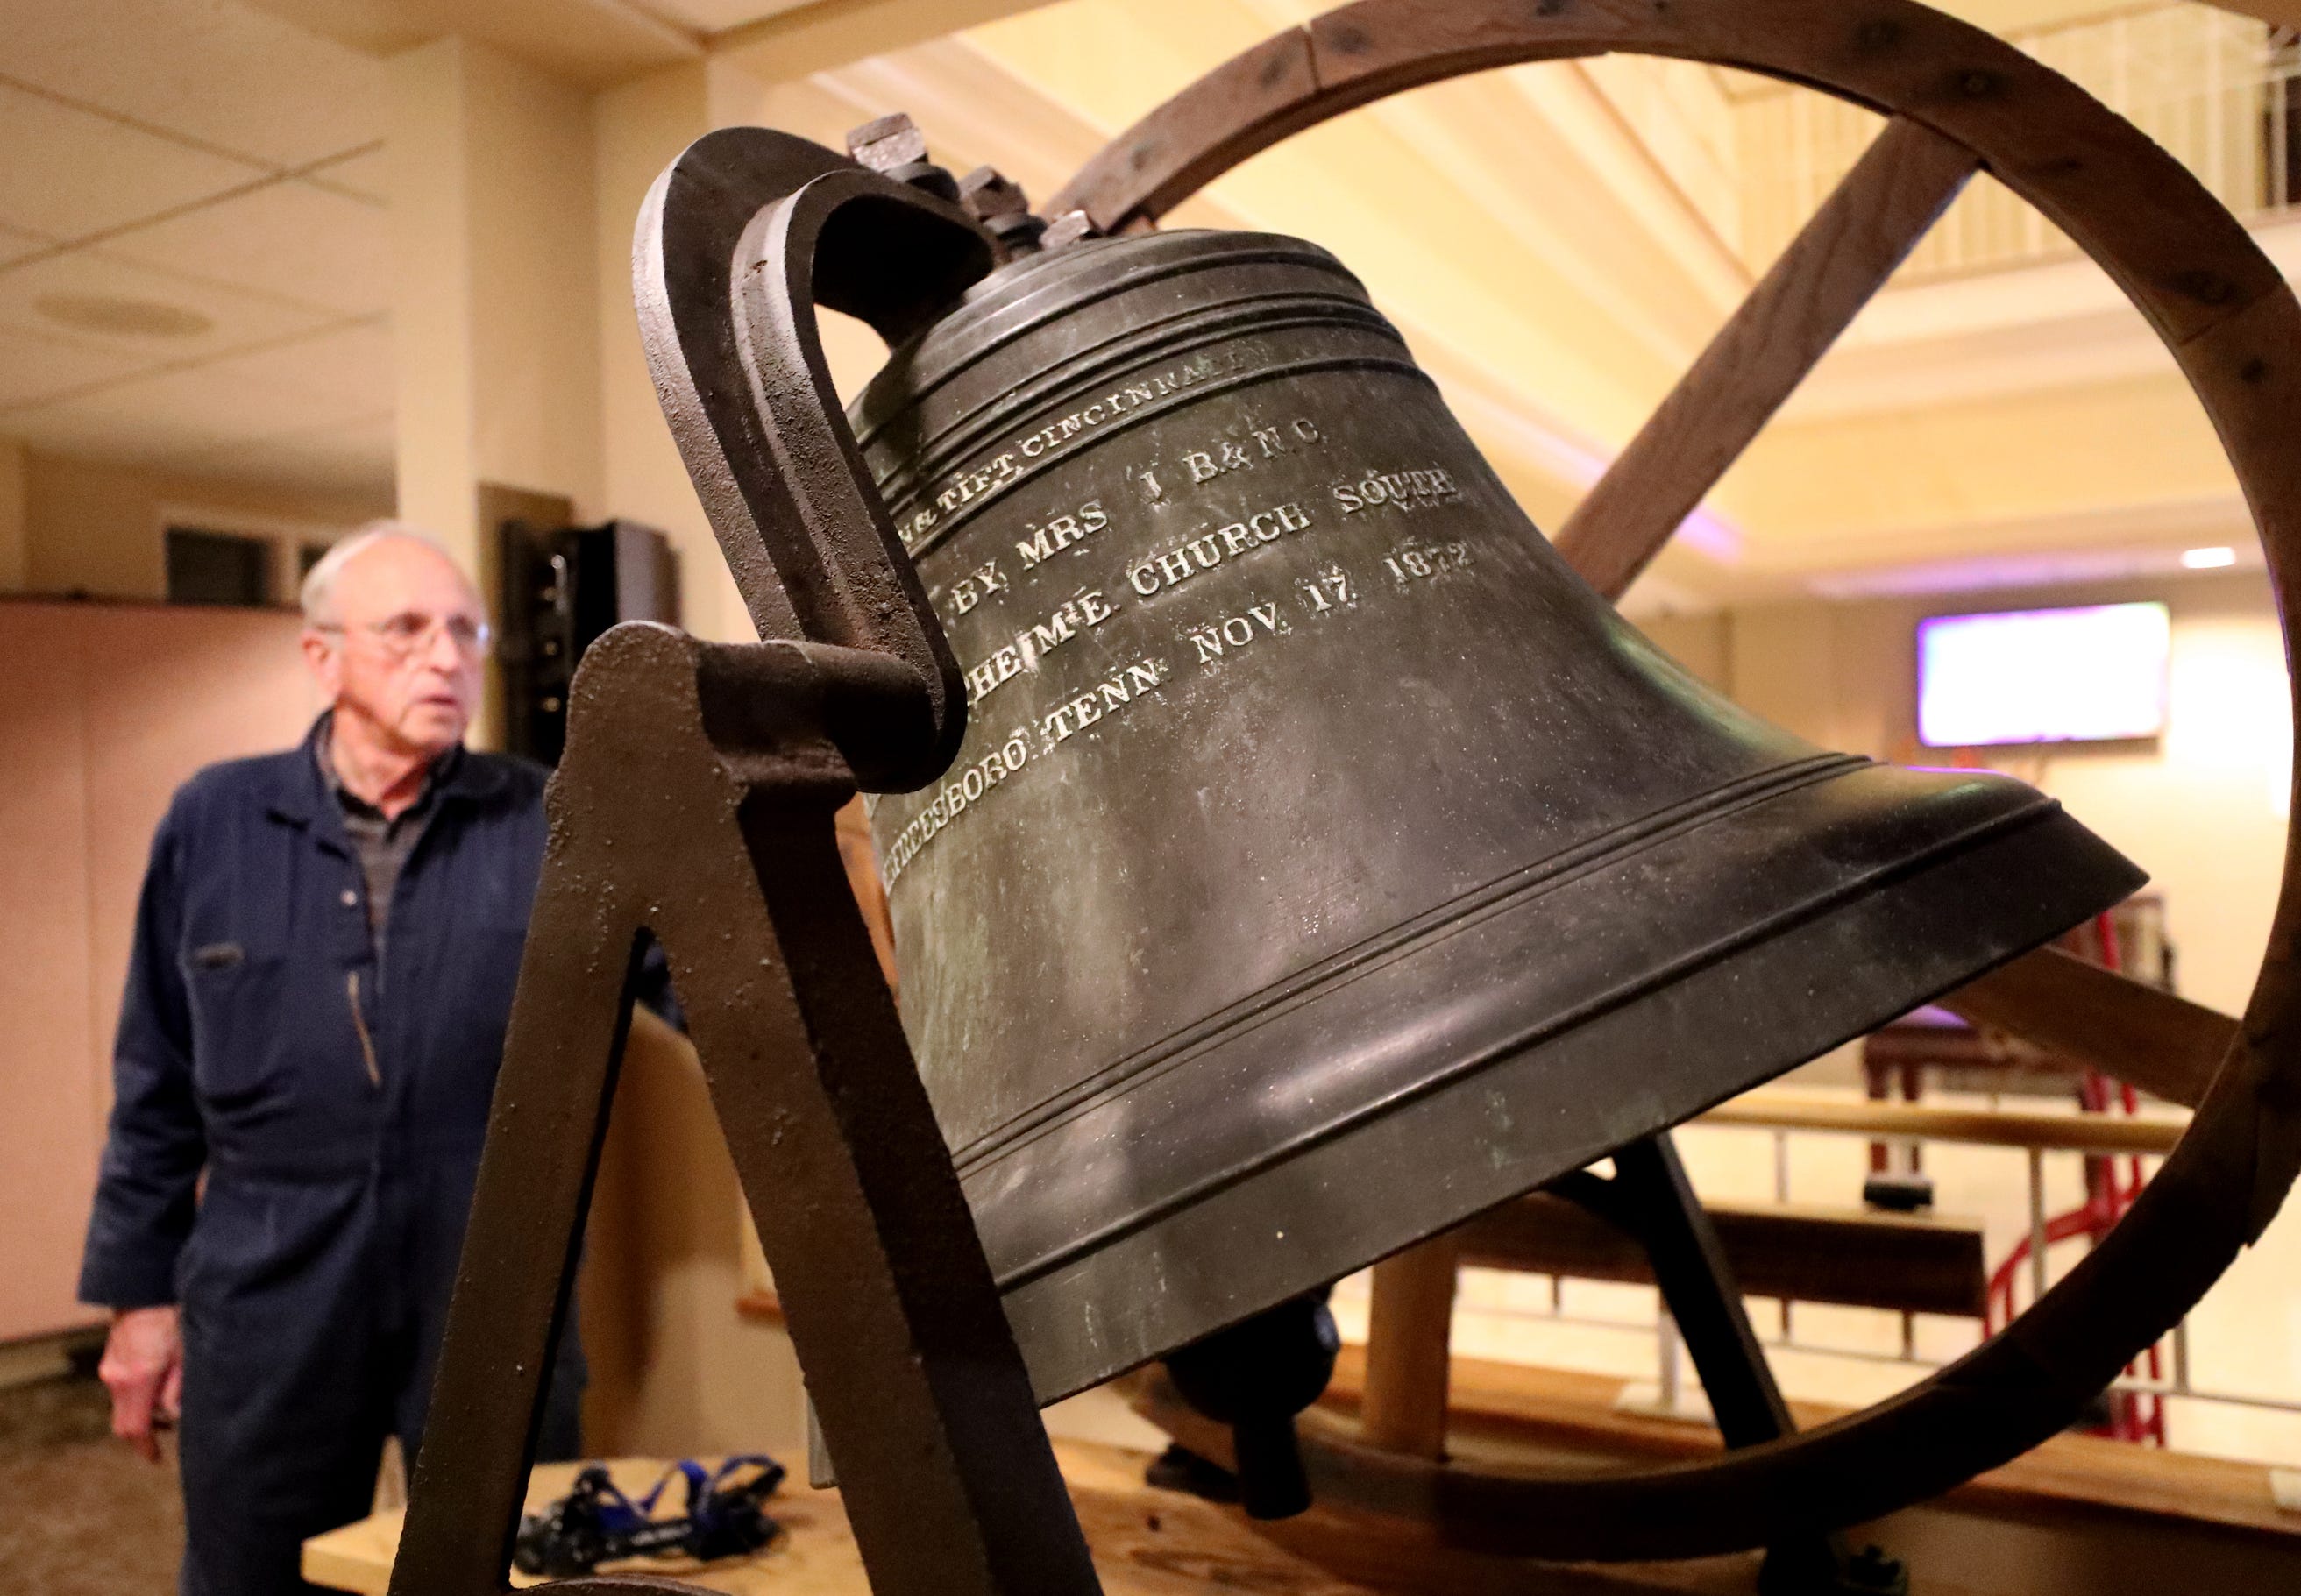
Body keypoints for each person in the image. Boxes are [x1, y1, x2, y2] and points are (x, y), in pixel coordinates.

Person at [78, 523, 598, 1596]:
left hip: (491, 1273)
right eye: (407, 630)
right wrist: (138, 1303)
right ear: (322, 655)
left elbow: (703, 981)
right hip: (270, 1277)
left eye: (467, 632)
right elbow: (154, 1084)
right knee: (255, 1573)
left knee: (512, 1570)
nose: (447, 658)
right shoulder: (214, 820)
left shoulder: (552, 818)